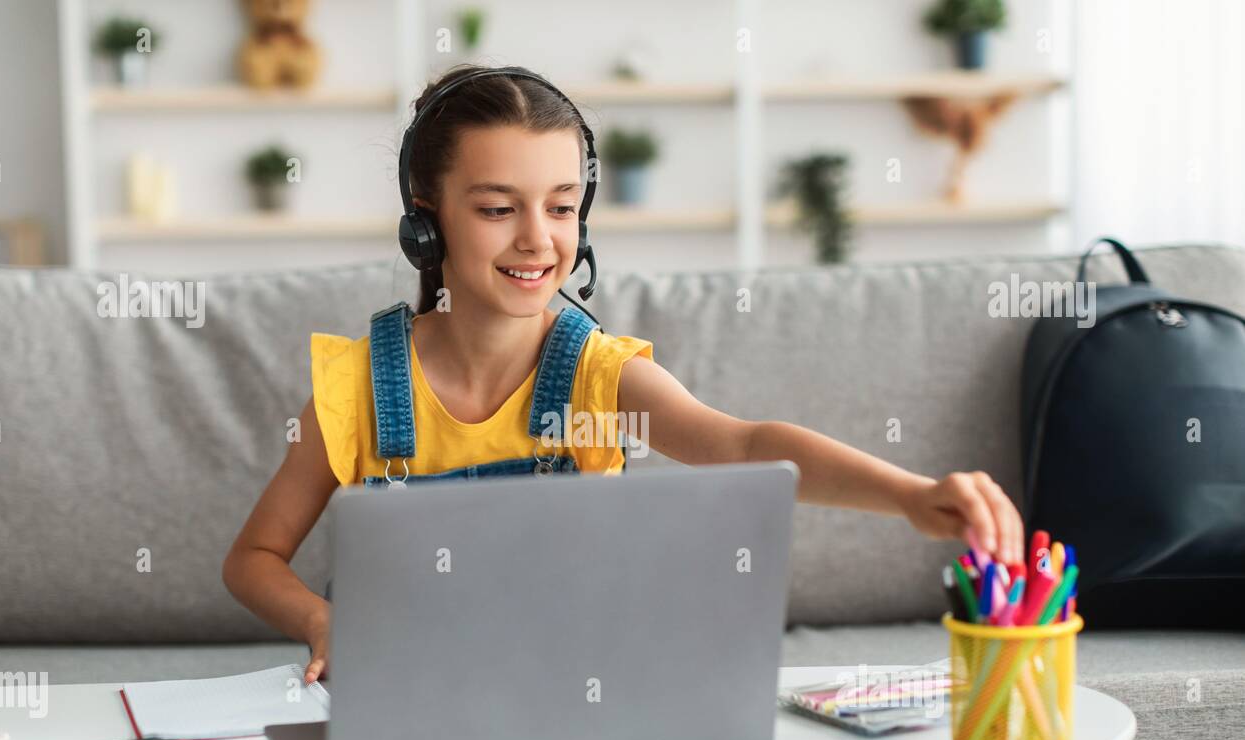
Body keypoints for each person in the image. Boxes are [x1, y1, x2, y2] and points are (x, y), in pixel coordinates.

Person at [223, 64, 1024, 685]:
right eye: (498, 209)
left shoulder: (596, 382)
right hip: (399, 692)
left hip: (568, 688)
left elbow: (743, 444)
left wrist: (911, 496)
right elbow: (254, 557)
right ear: (424, 220)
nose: (539, 240)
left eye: (563, 206)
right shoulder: (363, 385)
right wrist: (323, 622)